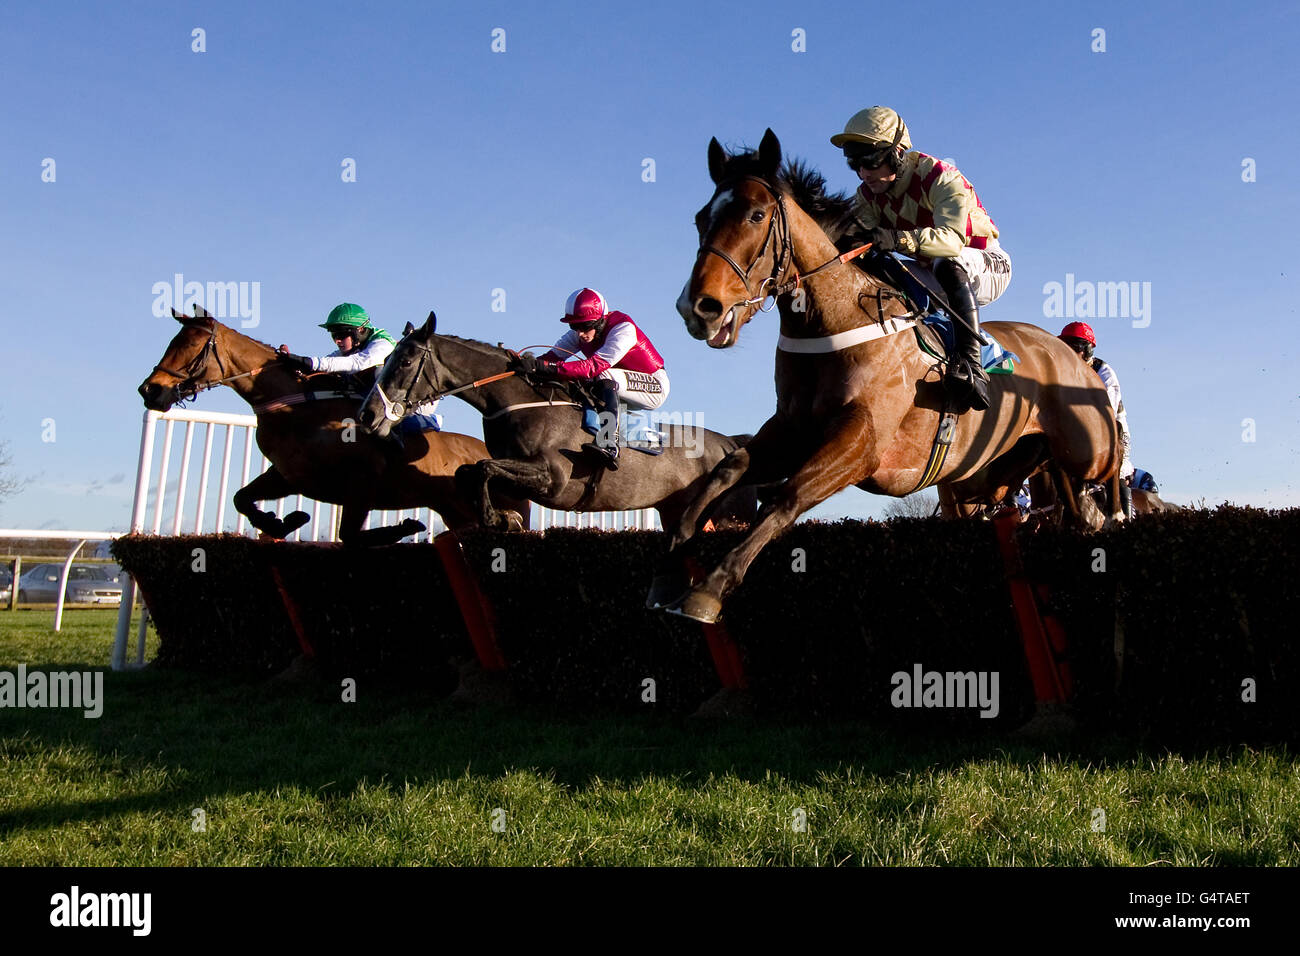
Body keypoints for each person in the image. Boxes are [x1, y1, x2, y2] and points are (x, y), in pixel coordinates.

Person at [831, 106, 1012, 412]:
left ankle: (972, 365)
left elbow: (951, 242)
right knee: (874, 268)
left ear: (898, 152)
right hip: (930, 270)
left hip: (984, 263)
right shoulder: (867, 196)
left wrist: (898, 239)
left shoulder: (942, 177)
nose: (864, 173)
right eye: (855, 163)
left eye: (871, 160)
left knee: (948, 264)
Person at [511, 288, 670, 470]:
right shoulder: (580, 333)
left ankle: (610, 444)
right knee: (578, 382)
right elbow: (552, 357)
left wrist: (545, 368)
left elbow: (592, 367)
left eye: (585, 326)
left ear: (601, 320)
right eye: (574, 326)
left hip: (654, 385)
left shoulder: (624, 329)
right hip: (616, 385)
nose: (580, 333)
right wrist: (525, 364)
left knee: (600, 374)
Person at [278, 302, 442, 433]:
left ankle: (430, 421)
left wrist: (311, 362)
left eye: (341, 335)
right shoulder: (350, 349)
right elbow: (325, 365)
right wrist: (297, 366)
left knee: (375, 374)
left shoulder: (382, 344)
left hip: (415, 407)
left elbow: (358, 363)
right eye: (334, 335)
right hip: (383, 402)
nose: (337, 340)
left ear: (360, 331)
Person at [1058, 321, 1134, 517]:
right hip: (1075, 429)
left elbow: (1104, 411)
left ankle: (1123, 516)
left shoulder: (1104, 372)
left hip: (1110, 427)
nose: (1067, 353)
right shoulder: (1062, 372)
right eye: (1064, 347)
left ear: (1087, 350)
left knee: (1121, 471)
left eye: (1073, 347)